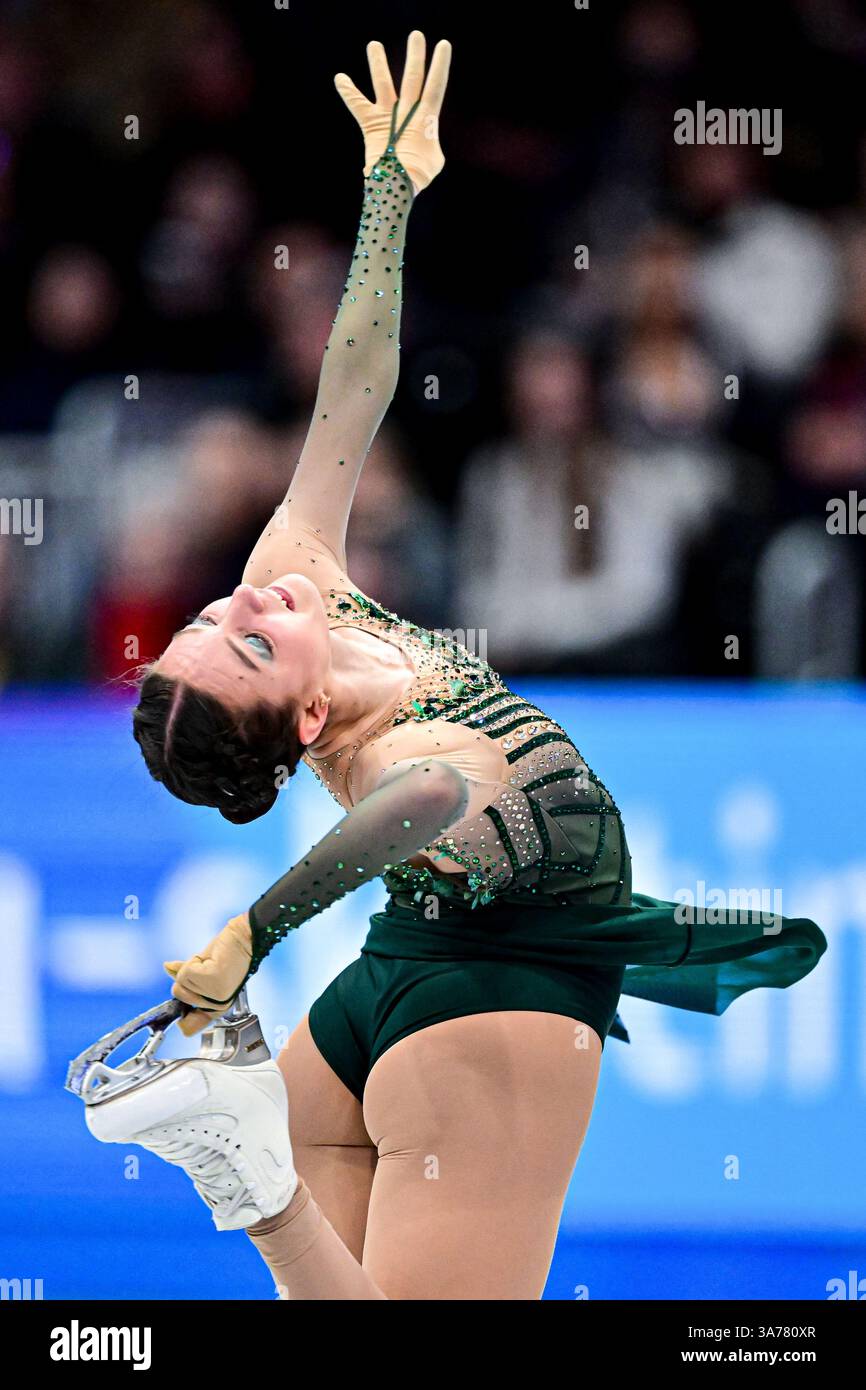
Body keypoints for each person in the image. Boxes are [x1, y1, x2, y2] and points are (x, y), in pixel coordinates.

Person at [88, 33, 826, 1300]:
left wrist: (387, 194)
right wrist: (253, 933)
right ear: (309, 712)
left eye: (218, 611)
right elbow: (422, 805)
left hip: (395, 974)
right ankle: (252, 1186)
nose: (256, 595)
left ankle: (249, 1171)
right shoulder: (403, 756)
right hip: (495, 1006)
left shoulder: (302, 576)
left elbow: (355, 384)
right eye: (254, 640)